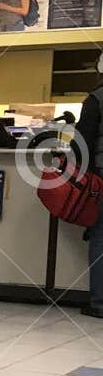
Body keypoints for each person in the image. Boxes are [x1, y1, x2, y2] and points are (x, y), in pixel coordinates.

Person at [77, 57, 103, 318]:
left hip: (101, 178)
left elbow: (81, 143)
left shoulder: (95, 100)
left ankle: (99, 302)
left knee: (100, 238)